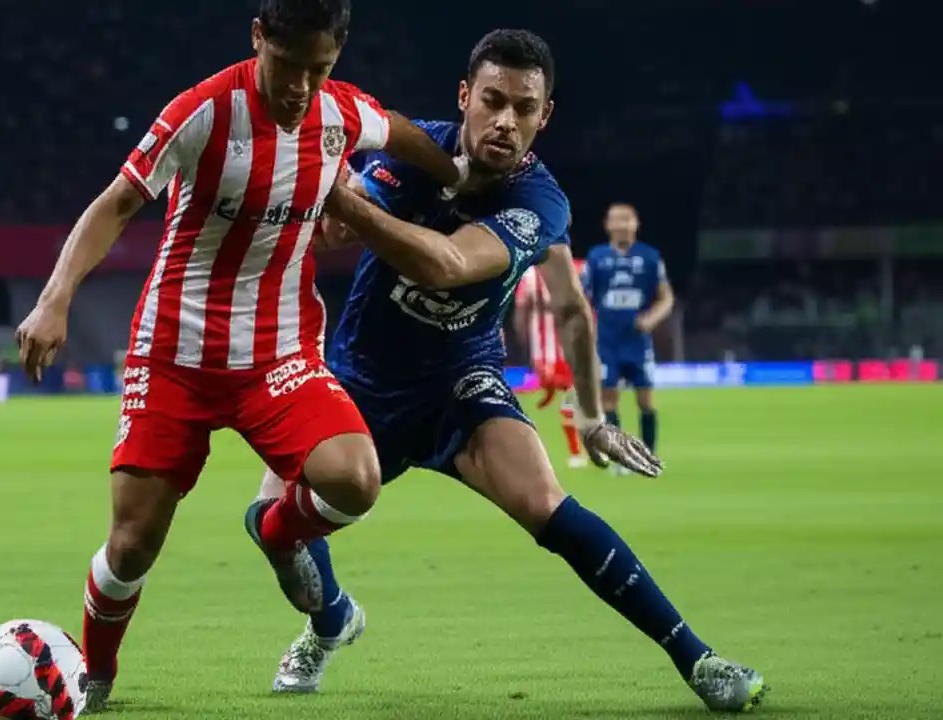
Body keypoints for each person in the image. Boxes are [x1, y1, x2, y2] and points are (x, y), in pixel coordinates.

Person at [251, 29, 767, 713]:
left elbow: (456, 268)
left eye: (525, 108)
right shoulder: (414, 153)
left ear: (544, 115)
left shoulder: (539, 201)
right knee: (267, 519)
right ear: (465, 97)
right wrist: (337, 194)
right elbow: (337, 233)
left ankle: (699, 661)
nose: (506, 121)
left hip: (460, 382)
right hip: (360, 384)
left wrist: (592, 419)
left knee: (549, 507)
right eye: (492, 101)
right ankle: (332, 622)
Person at [13, 0, 468, 712]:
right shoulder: (204, 112)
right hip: (175, 354)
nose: (300, 87)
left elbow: (410, 139)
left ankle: (278, 530)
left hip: (276, 353)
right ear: (258, 38)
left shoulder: (342, 113)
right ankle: (96, 679)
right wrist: (55, 296)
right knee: (131, 546)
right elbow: (115, 204)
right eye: (288, 66)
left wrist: (458, 181)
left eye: (319, 69)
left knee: (355, 481)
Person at [581, 203, 674, 473]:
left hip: (638, 341)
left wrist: (652, 318)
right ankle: (620, 458)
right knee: (609, 401)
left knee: (645, 400)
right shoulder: (597, 258)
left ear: (636, 223)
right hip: (607, 340)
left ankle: (648, 455)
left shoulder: (649, 257)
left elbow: (666, 297)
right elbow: (583, 297)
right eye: (616, 220)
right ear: (607, 225)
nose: (621, 225)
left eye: (627, 219)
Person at [515, 259, 588, 467]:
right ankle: (574, 450)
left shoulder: (531, 274)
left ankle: (575, 450)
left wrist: (525, 346)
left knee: (570, 399)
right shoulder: (575, 271)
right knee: (570, 399)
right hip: (555, 352)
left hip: (553, 351)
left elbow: (521, 314)